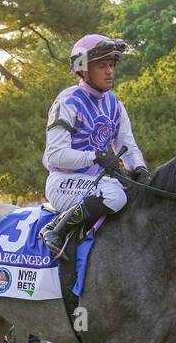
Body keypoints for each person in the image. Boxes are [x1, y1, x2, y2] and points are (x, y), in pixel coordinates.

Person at [39, 34, 150, 258]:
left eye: (111, 65)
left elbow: (129, 146)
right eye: (102, 66)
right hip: (63, 183)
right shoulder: (68, 102)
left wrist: (140, 169)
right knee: (115, 196)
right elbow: (54, 156)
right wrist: (95, 157)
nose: (110, 71)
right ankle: (56, 228)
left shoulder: (115, 104)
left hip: (97, 184)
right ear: (83, 69)